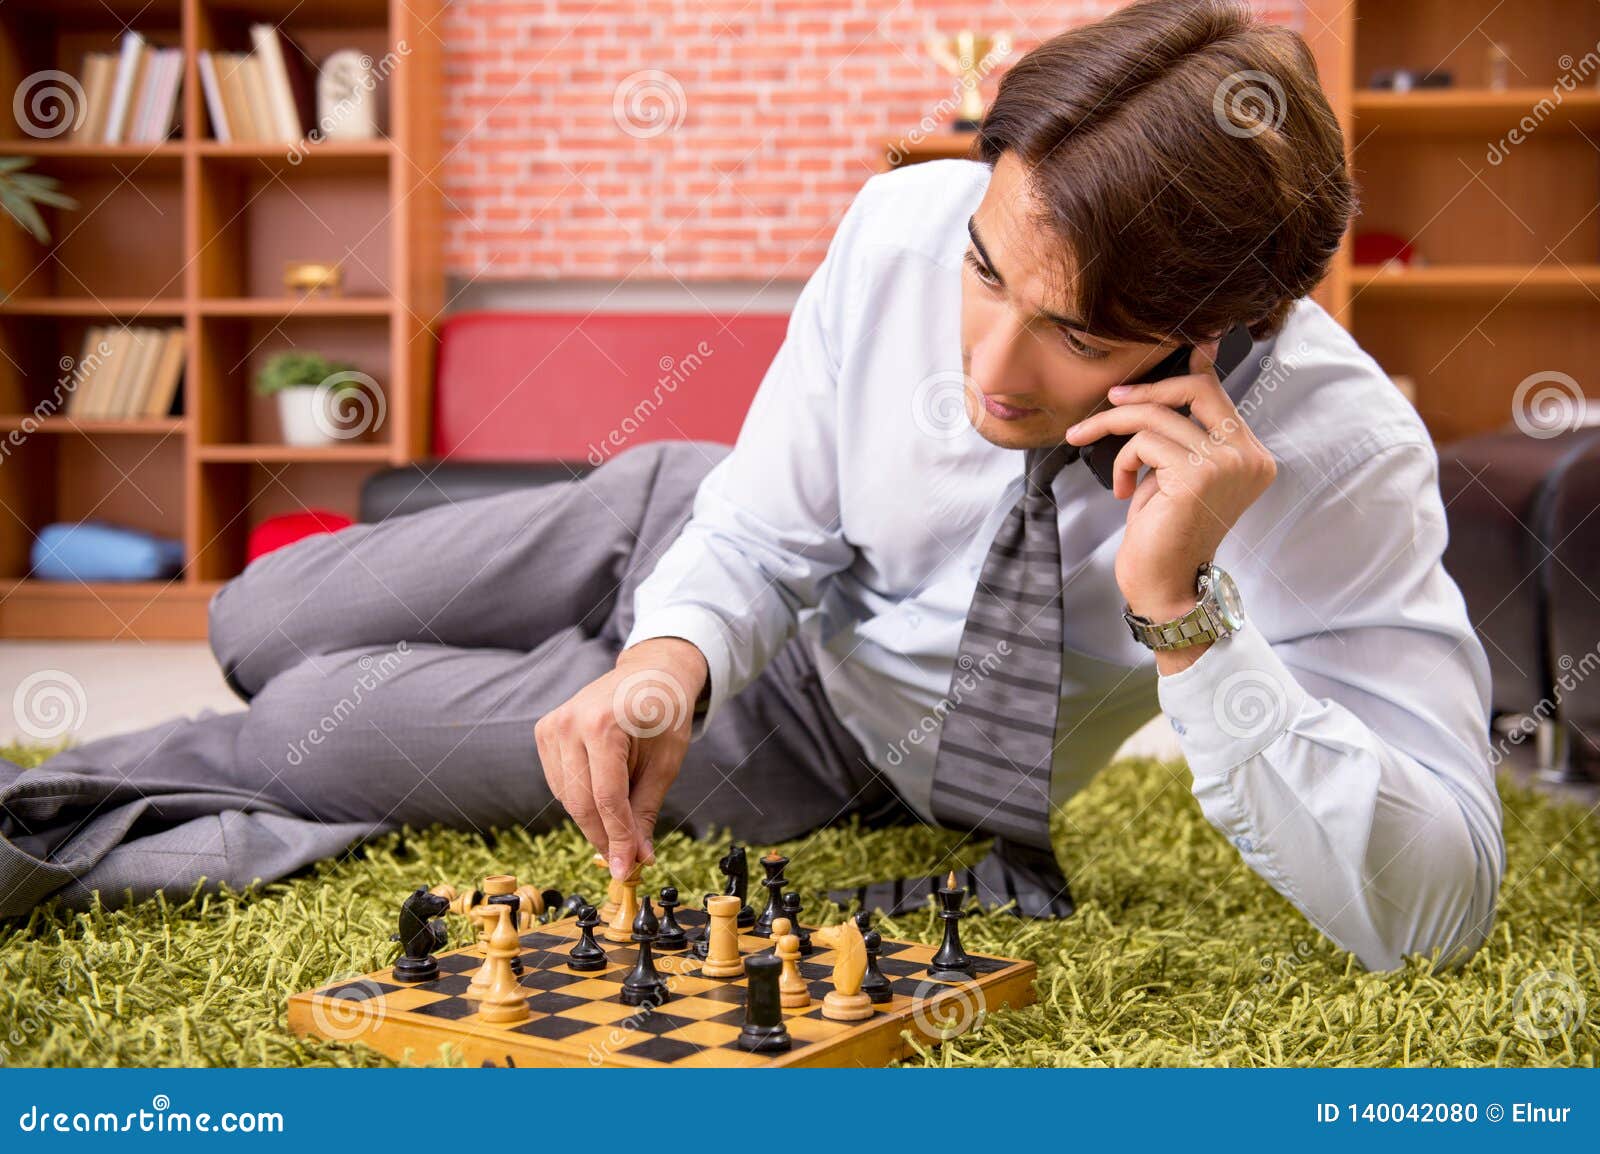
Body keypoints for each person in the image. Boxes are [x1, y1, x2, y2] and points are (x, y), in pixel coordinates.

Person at [0, 0, 1501, 972]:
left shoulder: (1342, 453)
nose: (991, 369)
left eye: (1081, 336)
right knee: (262, 614)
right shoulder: (906, 221)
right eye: (988, 272)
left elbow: (1442, 908)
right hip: (693, 515)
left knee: (307, 726)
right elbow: (767, 526)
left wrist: (1184, 617)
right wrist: (666, 660)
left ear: (1227, 329)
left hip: (827, 733)